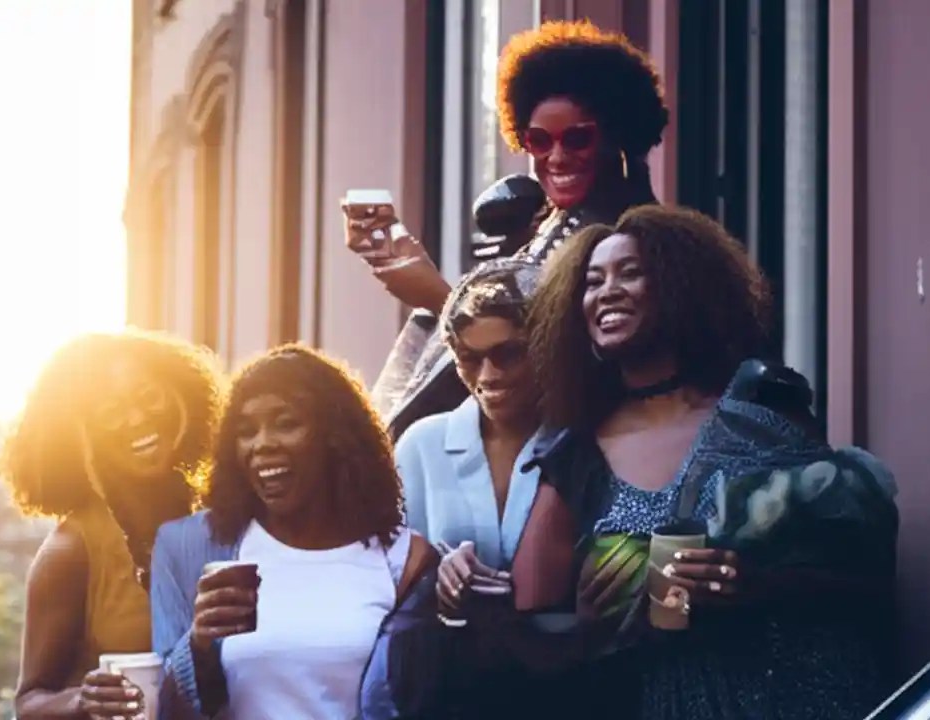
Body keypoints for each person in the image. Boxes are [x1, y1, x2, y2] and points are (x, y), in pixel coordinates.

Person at [523, 205, 898, 718]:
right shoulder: (574, 454)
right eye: (592, 281)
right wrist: (589, 626)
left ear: (680, 286)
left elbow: (867, 576)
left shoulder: (763, 409)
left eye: (631, 273)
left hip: (818, 696)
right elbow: (529, 626)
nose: (607, 291)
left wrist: (757, 586)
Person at [355, 19, 671, 440]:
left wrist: (436, 297)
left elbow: (554, 357)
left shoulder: (627, 238)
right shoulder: (543, 222)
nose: (556, 158)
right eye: (539, 141)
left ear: (619, 139)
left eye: (577, 140)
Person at [150, 345, 435, 719]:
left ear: (334, 437)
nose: (262, 444)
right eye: (246, 431)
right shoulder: (189, 547)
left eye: (286, 423)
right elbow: (162, 709)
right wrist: (199, 646)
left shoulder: (404, 559)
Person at [2, 332, 223, 720]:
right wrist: (81, 701)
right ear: (77, 435)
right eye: (109, 412)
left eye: (149, 397)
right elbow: (29, 702)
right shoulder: (72, 551)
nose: (137, 418)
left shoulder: (226, 517)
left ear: (181, 395)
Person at [393, 258, 552, 610]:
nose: (488, 376)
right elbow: (388, 571)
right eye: (469, 358)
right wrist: (435, 577)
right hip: (447, 654)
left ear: (545, 345)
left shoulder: (579, 440)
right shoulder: (421, 446)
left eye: (508, 354)